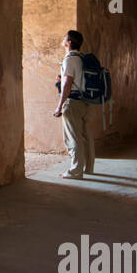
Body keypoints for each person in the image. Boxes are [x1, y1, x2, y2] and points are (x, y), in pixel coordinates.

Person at [52, 29, 95, 179]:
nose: (63, 39)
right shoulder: (81, 59)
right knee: (85, 136)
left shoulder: (69, 59)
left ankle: (76, 171)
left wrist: (59, 106)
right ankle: (88, 167)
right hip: (84, 102)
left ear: (69, 42)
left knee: (73, 138)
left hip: (73, 103)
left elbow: (67, 85)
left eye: (65, 38)